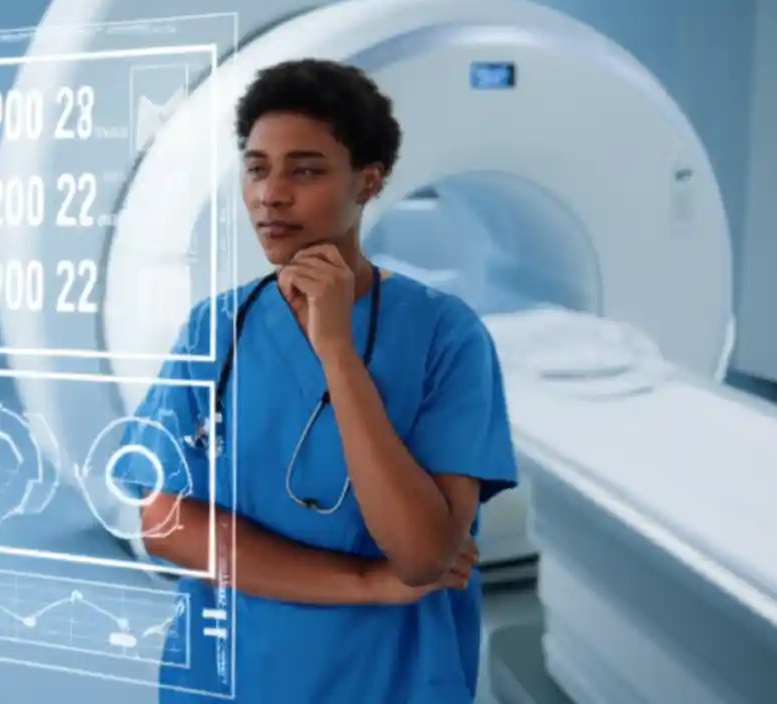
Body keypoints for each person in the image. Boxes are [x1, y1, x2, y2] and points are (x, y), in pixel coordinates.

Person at [116, 58, 518, 703]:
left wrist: (337, 351)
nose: (272, 194)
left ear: (368, 181)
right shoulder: (214, 327)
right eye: (257, 168)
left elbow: (422, 556)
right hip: (233, 672)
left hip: (390, 675)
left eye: (305, 170)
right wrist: (365, 581)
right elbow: (165, 524)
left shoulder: (447, 335)